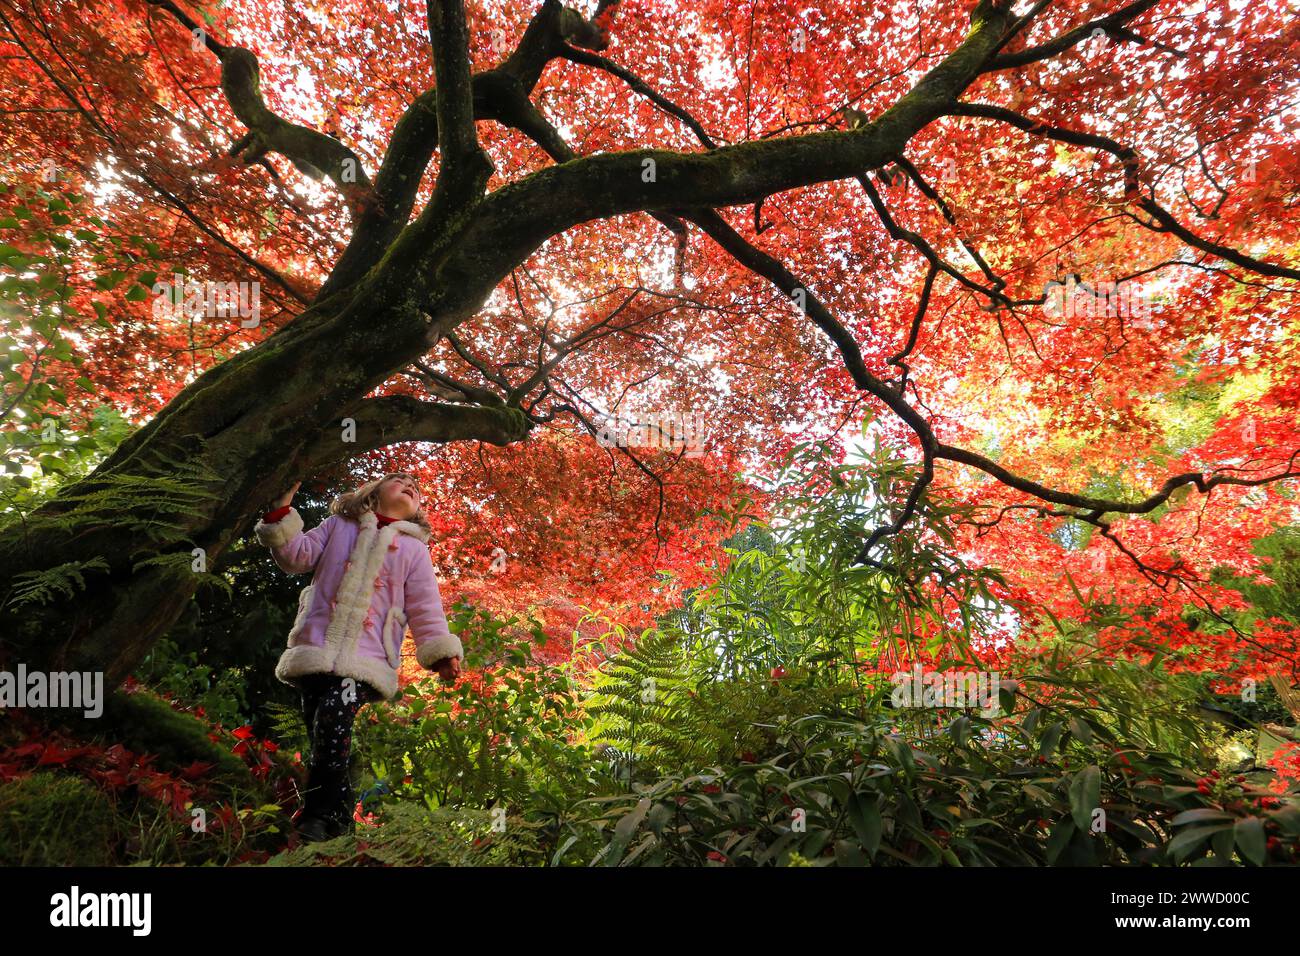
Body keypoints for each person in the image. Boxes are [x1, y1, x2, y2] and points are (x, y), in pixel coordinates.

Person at [254, 472, 462, 841]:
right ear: (373, 491)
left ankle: (317, 818)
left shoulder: (413, 550)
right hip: (315, 650)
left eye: (417, 489)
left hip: (367, 661)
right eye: (400, 480)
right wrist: (280, 514)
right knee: (323, 732)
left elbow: (425, 606)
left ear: (417, 512)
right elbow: (296, 556)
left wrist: (440, 654)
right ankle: (342, 820)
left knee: (334, 715)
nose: (411, 486)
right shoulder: (339, 525)